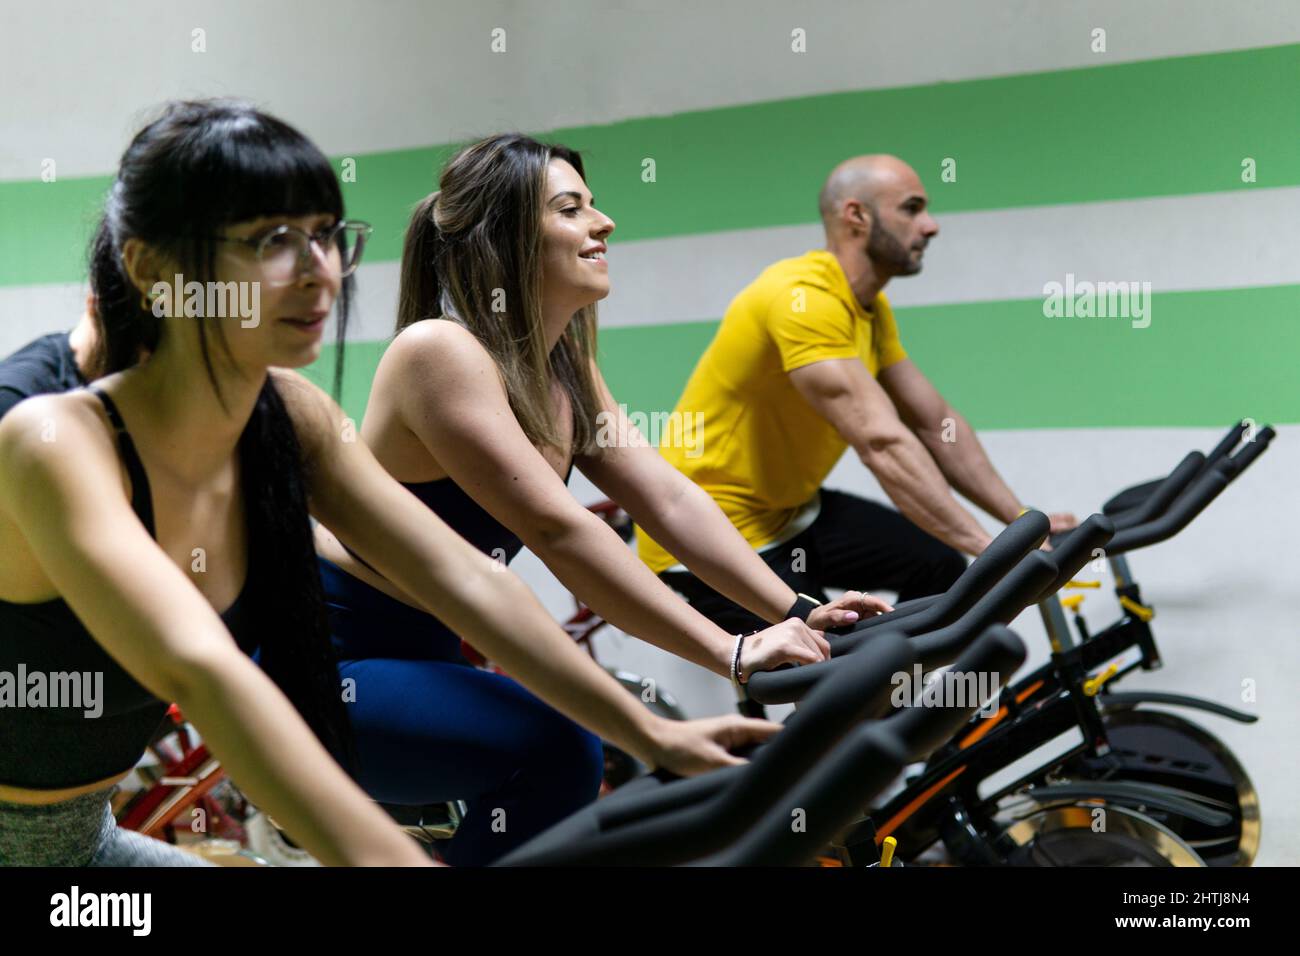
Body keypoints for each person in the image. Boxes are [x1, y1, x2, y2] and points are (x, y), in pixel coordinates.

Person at [0, 100, 777, 868]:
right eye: (274, 241)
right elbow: (202, 671)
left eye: (327, 237)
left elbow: (468, 578)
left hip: (84, 840)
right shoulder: (46, 434)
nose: (321, 272)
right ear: (152, 267)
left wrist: (655, 733)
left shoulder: (289, 414)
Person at [314, 133, 891, 860]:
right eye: (572, 209)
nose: (605, 222)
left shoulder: (562, 369)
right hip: (333, 664)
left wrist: (798, 611)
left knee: (557, 769)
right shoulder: (439, 353)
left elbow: (668, 500)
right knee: (560, 749)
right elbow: (560, 533)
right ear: (508, 237)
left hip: (426, 651)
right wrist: (734, 650)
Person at [637, 154, 1078, 634]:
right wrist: (992, 552)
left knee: (937, 567)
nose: (930, 226)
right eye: (912, 209)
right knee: (832, 653)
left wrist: (1019, 526)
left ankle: (900, 705)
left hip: (789, 514)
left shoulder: (868, 307)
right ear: (856, 216)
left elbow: (935, 421)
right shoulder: (801, 298)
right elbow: (882, 442)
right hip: (711, 532)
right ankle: (867, 705)